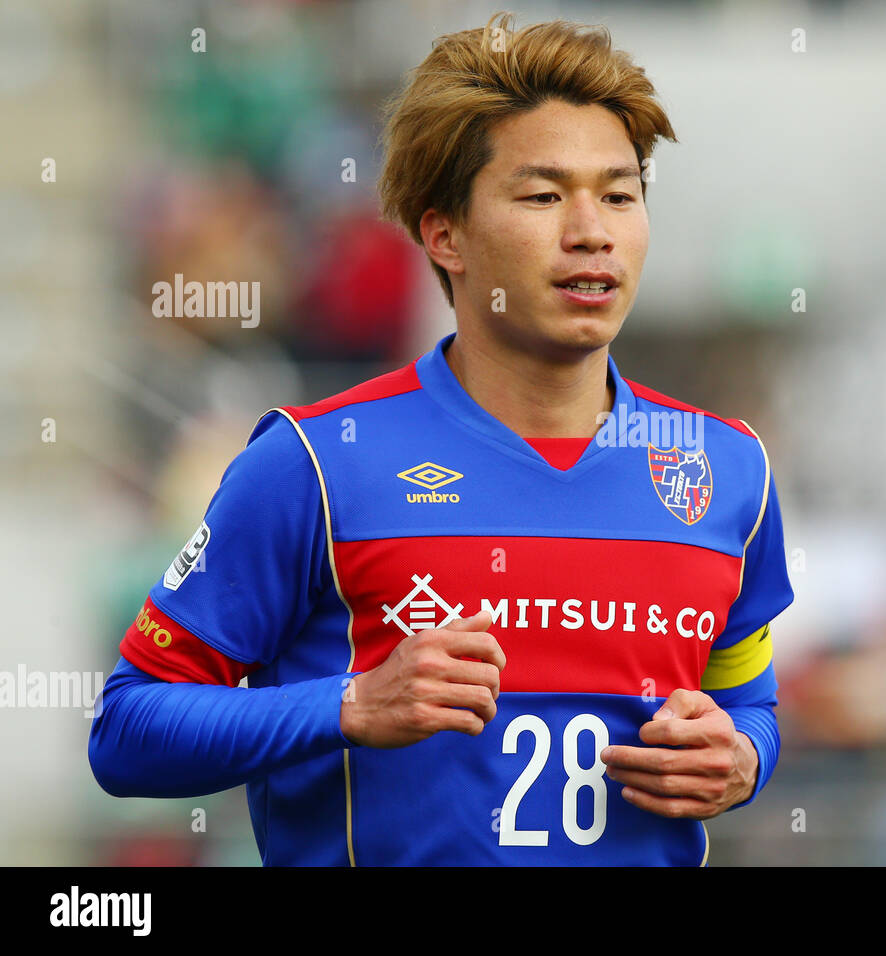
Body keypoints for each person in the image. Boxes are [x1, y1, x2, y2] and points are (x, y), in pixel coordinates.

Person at [89, 11, 794, 866]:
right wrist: (350, 706)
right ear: (444, 233)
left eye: (619, 193)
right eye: (543, 195)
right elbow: (127, 731)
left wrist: (744, 757)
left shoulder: (725, 471)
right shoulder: (315, 463)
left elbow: (749, 703)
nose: (592, 230)